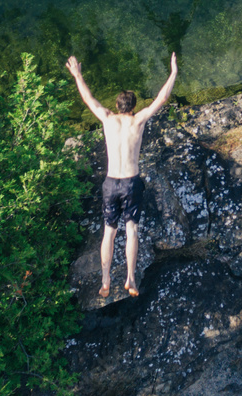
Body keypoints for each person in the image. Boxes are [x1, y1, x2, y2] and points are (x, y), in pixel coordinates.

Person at [66, 52, 178, 298]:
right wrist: (173, 72)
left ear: (117, 106)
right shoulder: (138, 121)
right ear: (134, 106)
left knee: (109, 232)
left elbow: (88, 99)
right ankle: (130, 278)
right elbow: (163, 97)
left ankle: (105, 279)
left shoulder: (107, 119)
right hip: (131, 184)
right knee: (132, 231)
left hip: (110, 183)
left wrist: (78, 75)